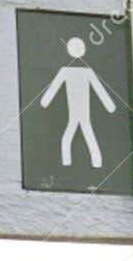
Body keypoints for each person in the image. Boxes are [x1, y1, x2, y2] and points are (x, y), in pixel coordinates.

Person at [39, 37, 116, 168]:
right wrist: (109, 106)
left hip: (80, 112)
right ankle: (92, 162)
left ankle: (74, 162)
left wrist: (45, 101)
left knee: (69, 136)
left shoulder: (70, 72)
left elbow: (99, 89)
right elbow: (100, 91)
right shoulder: (80, 72)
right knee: (80, 134)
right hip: (77, 112)